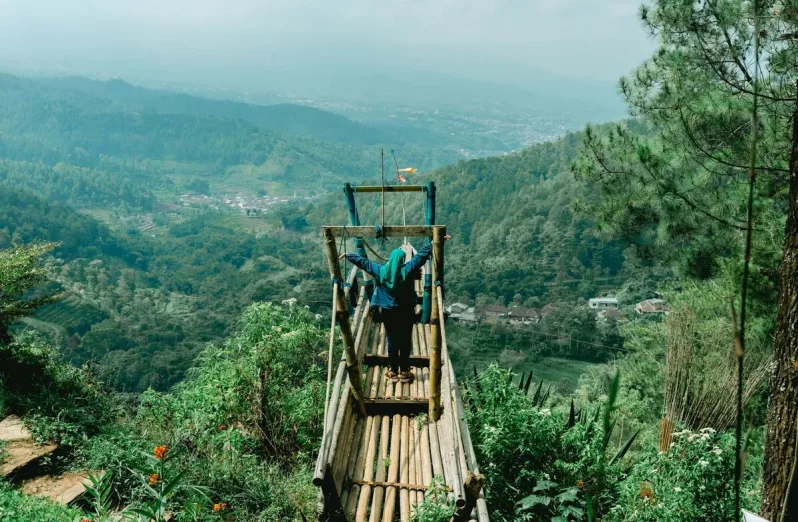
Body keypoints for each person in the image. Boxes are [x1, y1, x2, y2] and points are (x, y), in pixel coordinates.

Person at [341, 238, 449, 383]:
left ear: (391, 259)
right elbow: (421, 257)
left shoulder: (380, 271)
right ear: (403, 260)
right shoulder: (408, 269)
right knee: (405, 340)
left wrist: (349, 254)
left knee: (392, 341)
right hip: (406, 312)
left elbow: (364, 263)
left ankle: (392, 372)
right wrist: (435, 242)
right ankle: (404, 372)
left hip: (388, 313)